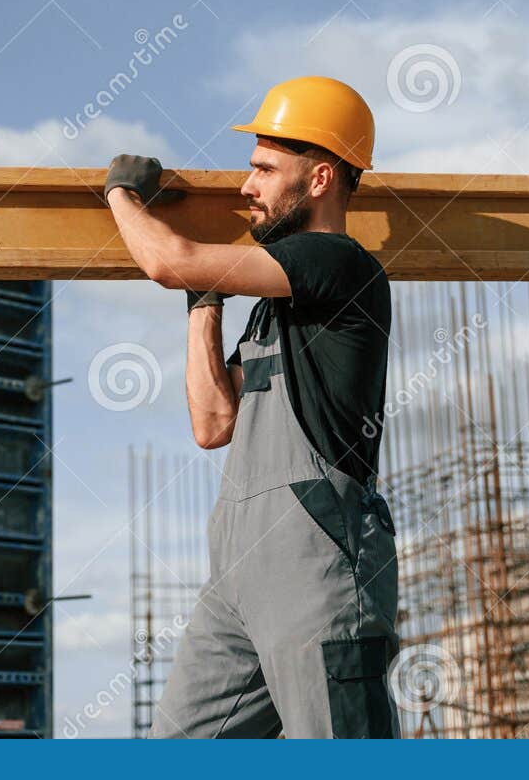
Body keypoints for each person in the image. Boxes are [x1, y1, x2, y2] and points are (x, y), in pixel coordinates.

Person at [104, 75, 398, 738]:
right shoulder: (277, 308)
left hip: (317, 564)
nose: (247, 186)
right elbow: (212, 423)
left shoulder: (339, 265)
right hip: (237, 578)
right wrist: (204, 300)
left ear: (319, 178)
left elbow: (164, 259)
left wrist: (121, 194)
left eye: (264, 169)